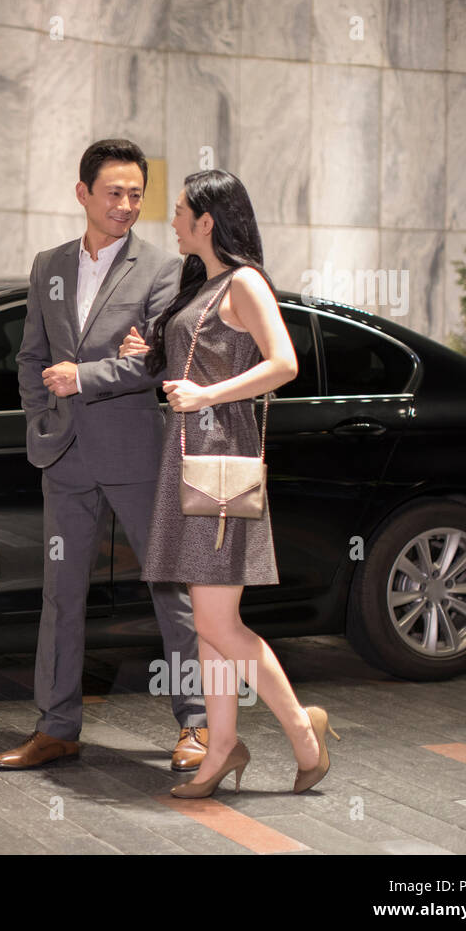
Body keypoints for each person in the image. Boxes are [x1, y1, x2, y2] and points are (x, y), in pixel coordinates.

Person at [119, 168, 339, 797]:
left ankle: (302, 731)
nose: (173, 218)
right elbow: (199, 361)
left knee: (218, 625)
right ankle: (220, 749)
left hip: (220, 462)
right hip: (193, 460)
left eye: (182, 209)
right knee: (214, 623)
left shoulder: (244, 282)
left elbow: (284, 363)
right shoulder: (204, 285)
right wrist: (154, 356)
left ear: (208, 220)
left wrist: (205, 393)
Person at [0, 138, 209, 772]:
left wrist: (83, 377)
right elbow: (31, 356)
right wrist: (42, 416)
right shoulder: (49, 265)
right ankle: (57, 727)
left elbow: (151, 362)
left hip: (137, 450)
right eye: (114, 192)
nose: (126, 205)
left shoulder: (164, 269)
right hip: (65, 455)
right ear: (83, 193)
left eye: (137, 194)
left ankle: (195, 725)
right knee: (61, 596)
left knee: (170, 588)